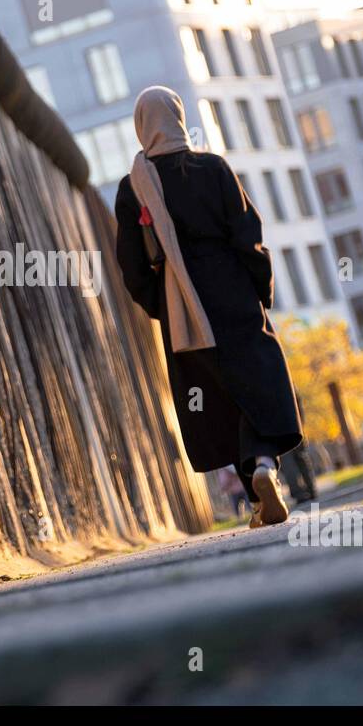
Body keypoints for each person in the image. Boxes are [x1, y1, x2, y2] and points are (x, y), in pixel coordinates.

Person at [115, 86, 303, 528]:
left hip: (182, 306)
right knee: (260, 379)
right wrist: (260, 289)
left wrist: (161, 304)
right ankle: (263, 467)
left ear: (142, 126)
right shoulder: (213, 168)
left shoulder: (133, 187)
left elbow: (131, 264)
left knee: (213, 396)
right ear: (178, 118)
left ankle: (257, 492)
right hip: (232, 290)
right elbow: (248, 235)